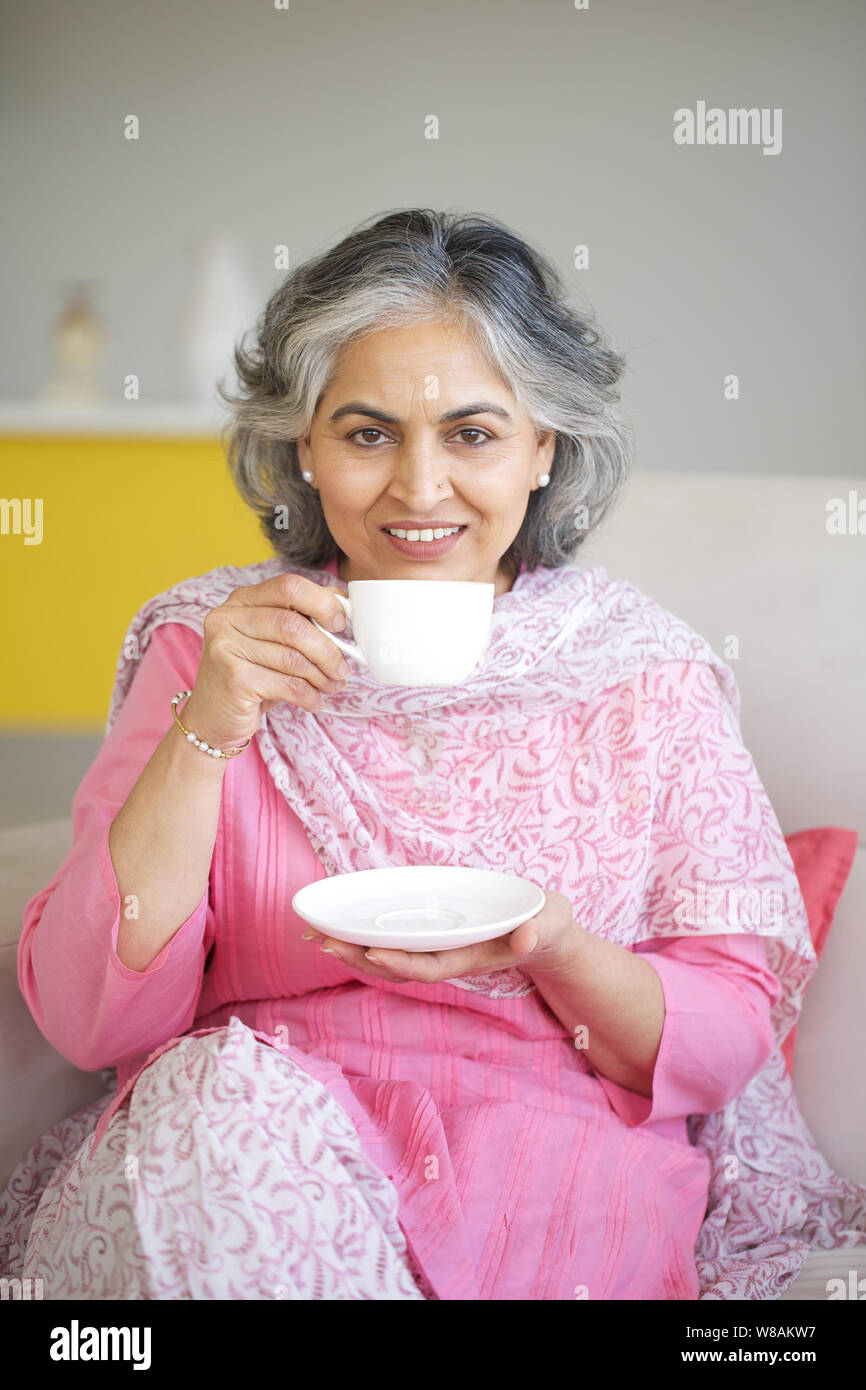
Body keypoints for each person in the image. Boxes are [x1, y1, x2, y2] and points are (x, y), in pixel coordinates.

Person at [3, 209, 865, 1300]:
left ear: (541, 446)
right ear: (304, 446)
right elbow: (89, 1016)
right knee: (217, 1125)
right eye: (366, 433)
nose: (418, 488)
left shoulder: (643, 673)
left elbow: (724, 1034)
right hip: (248, 1151)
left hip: (550, 1167)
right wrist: (208, 724)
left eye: (471, 433)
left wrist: (557, 948)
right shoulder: (210, 644)